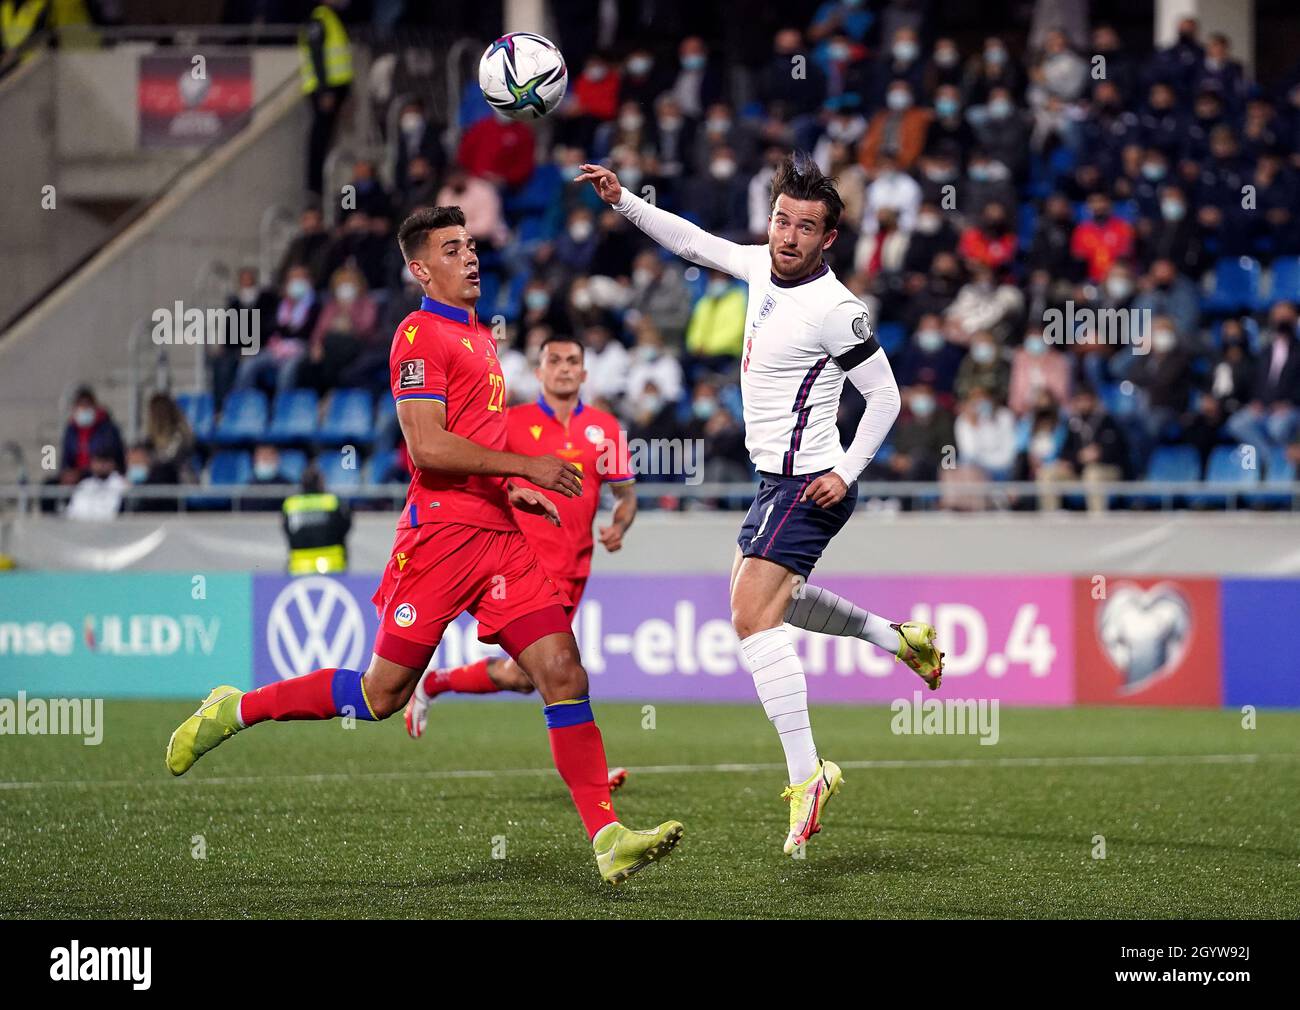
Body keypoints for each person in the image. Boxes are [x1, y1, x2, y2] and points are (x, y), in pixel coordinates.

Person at [166, 205, 682, 886]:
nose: (470, 257)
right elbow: (428, 446)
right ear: (420, 269)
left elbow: (478, 443)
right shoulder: (417, 334)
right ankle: (235, 707)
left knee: (562, 672)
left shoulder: (479, 335)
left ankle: (607, 836)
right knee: (381, 696)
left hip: (500, 535)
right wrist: (526, 469)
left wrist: (512, 492)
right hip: (440, 538)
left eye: (470, 245)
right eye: (451, 248)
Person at [576, 152, 943, 857]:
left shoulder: (838, 310)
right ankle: (897, 639)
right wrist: (624, 200)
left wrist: (846, 468)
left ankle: (809, 777)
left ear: (829, 238)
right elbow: (691, 241)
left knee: (750, 614)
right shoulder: (758, 267)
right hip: (774, 482)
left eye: (806, 227)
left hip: (810, 483)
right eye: (782, 220)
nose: (789, 236)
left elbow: (886, 399)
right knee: (776, 600)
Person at [405, 333, 637, 792]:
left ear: (585, 372)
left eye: (573, 361)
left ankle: (435, 683)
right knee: (562, 673)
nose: (565, 368)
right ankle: (590, 776)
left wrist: (619, 525)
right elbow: (474, 468)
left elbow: (625, 495)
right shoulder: (510, 423)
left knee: (526, 677)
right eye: (555, 360)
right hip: (521, 564)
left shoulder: (606, 429)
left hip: (576, 568)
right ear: (540, 371)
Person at [299, 0, 353, 195]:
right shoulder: (319, 19)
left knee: (329, 136)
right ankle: (315, 185)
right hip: (325, 89)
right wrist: (324, 91)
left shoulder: (331, 17)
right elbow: (317, 55)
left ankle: (324, 182)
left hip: (336, 88)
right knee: (320, 136)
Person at [282, 467, 352, 575]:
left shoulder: (291, 504)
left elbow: (286, 529)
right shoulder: (333, 501)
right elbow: (345, 525)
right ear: (320, 483)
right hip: (333, 564)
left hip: (299, 566)